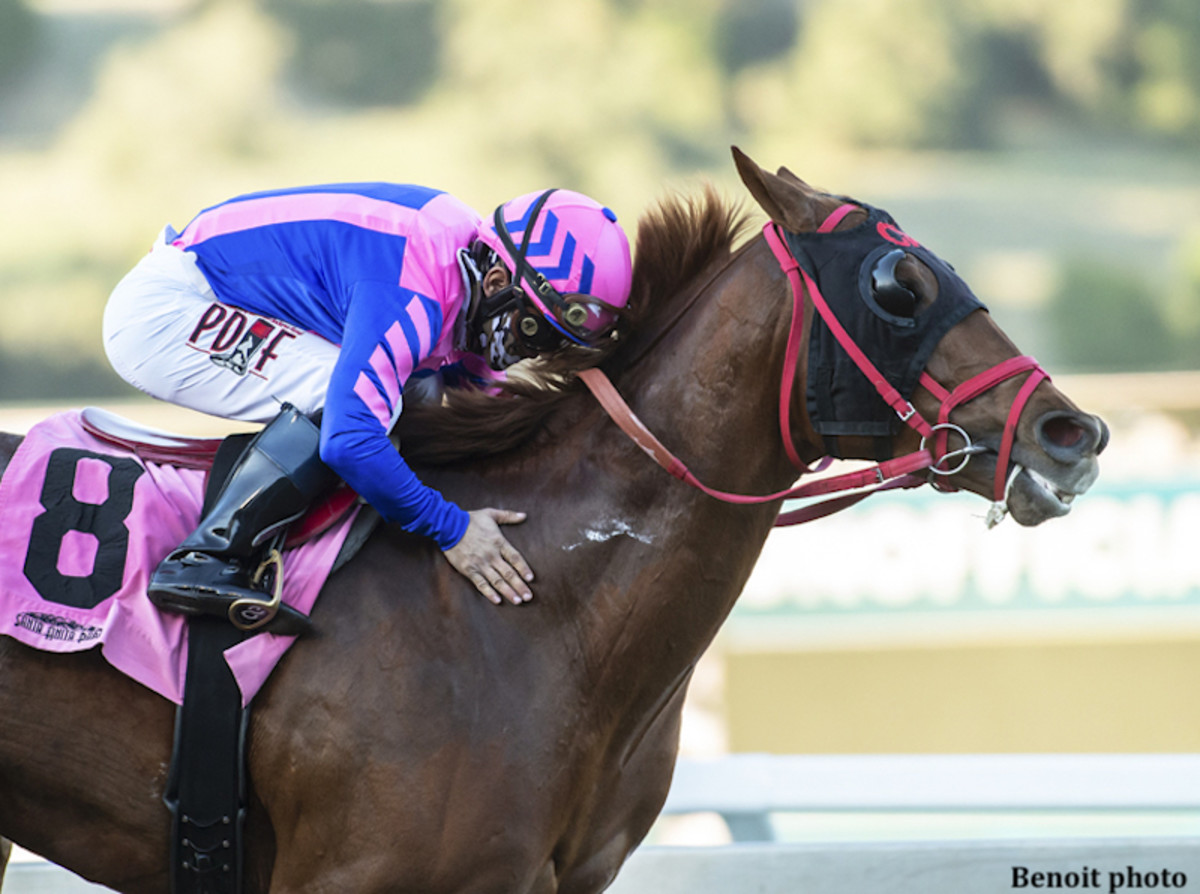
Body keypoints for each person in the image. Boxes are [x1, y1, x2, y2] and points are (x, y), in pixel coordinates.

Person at [102, 183, 633, 626]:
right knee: (349, 401)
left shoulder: (467, 265)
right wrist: (450, 529)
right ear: (497, 282)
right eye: (533, 332)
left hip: (218, 289)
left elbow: (477, 389)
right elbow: (349, 440)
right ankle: (208, 556)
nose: (531, 354)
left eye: (552, 346)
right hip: (167, 311)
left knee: (418, 395)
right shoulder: (414, 289)